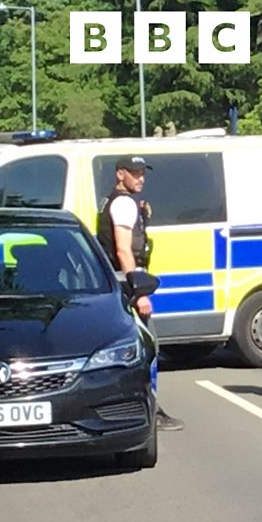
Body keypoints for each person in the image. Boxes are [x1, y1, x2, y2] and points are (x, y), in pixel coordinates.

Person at [96, 155, 184, 431]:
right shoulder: (123, 204)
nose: (141, 178)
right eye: (134, 173)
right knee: (146, 350)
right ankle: (150, 410)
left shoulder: (113, 200)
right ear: (120, 174)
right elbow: (123, 249)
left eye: (143, 173)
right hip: (127, 285)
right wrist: (140, 291)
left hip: (116, 284)